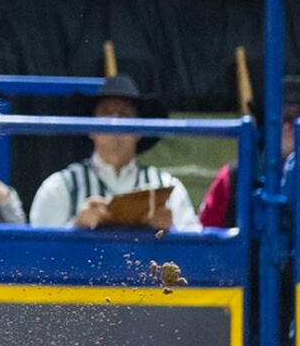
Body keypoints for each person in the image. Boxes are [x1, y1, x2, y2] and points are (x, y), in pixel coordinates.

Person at [29, 74, 202, 231]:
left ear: (140, 130)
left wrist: (169, 231)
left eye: (125, 114)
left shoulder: (168, 187)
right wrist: (76, 226)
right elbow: (35, 254)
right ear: (90, 127)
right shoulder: (61, 187)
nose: (115, 122)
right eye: (106, 113)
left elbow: (194, 251)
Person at [199, 78, 300, 227]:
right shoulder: (233, 176)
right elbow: (206, 235)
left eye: (295, 118)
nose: (286, 126)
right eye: (279, 117)